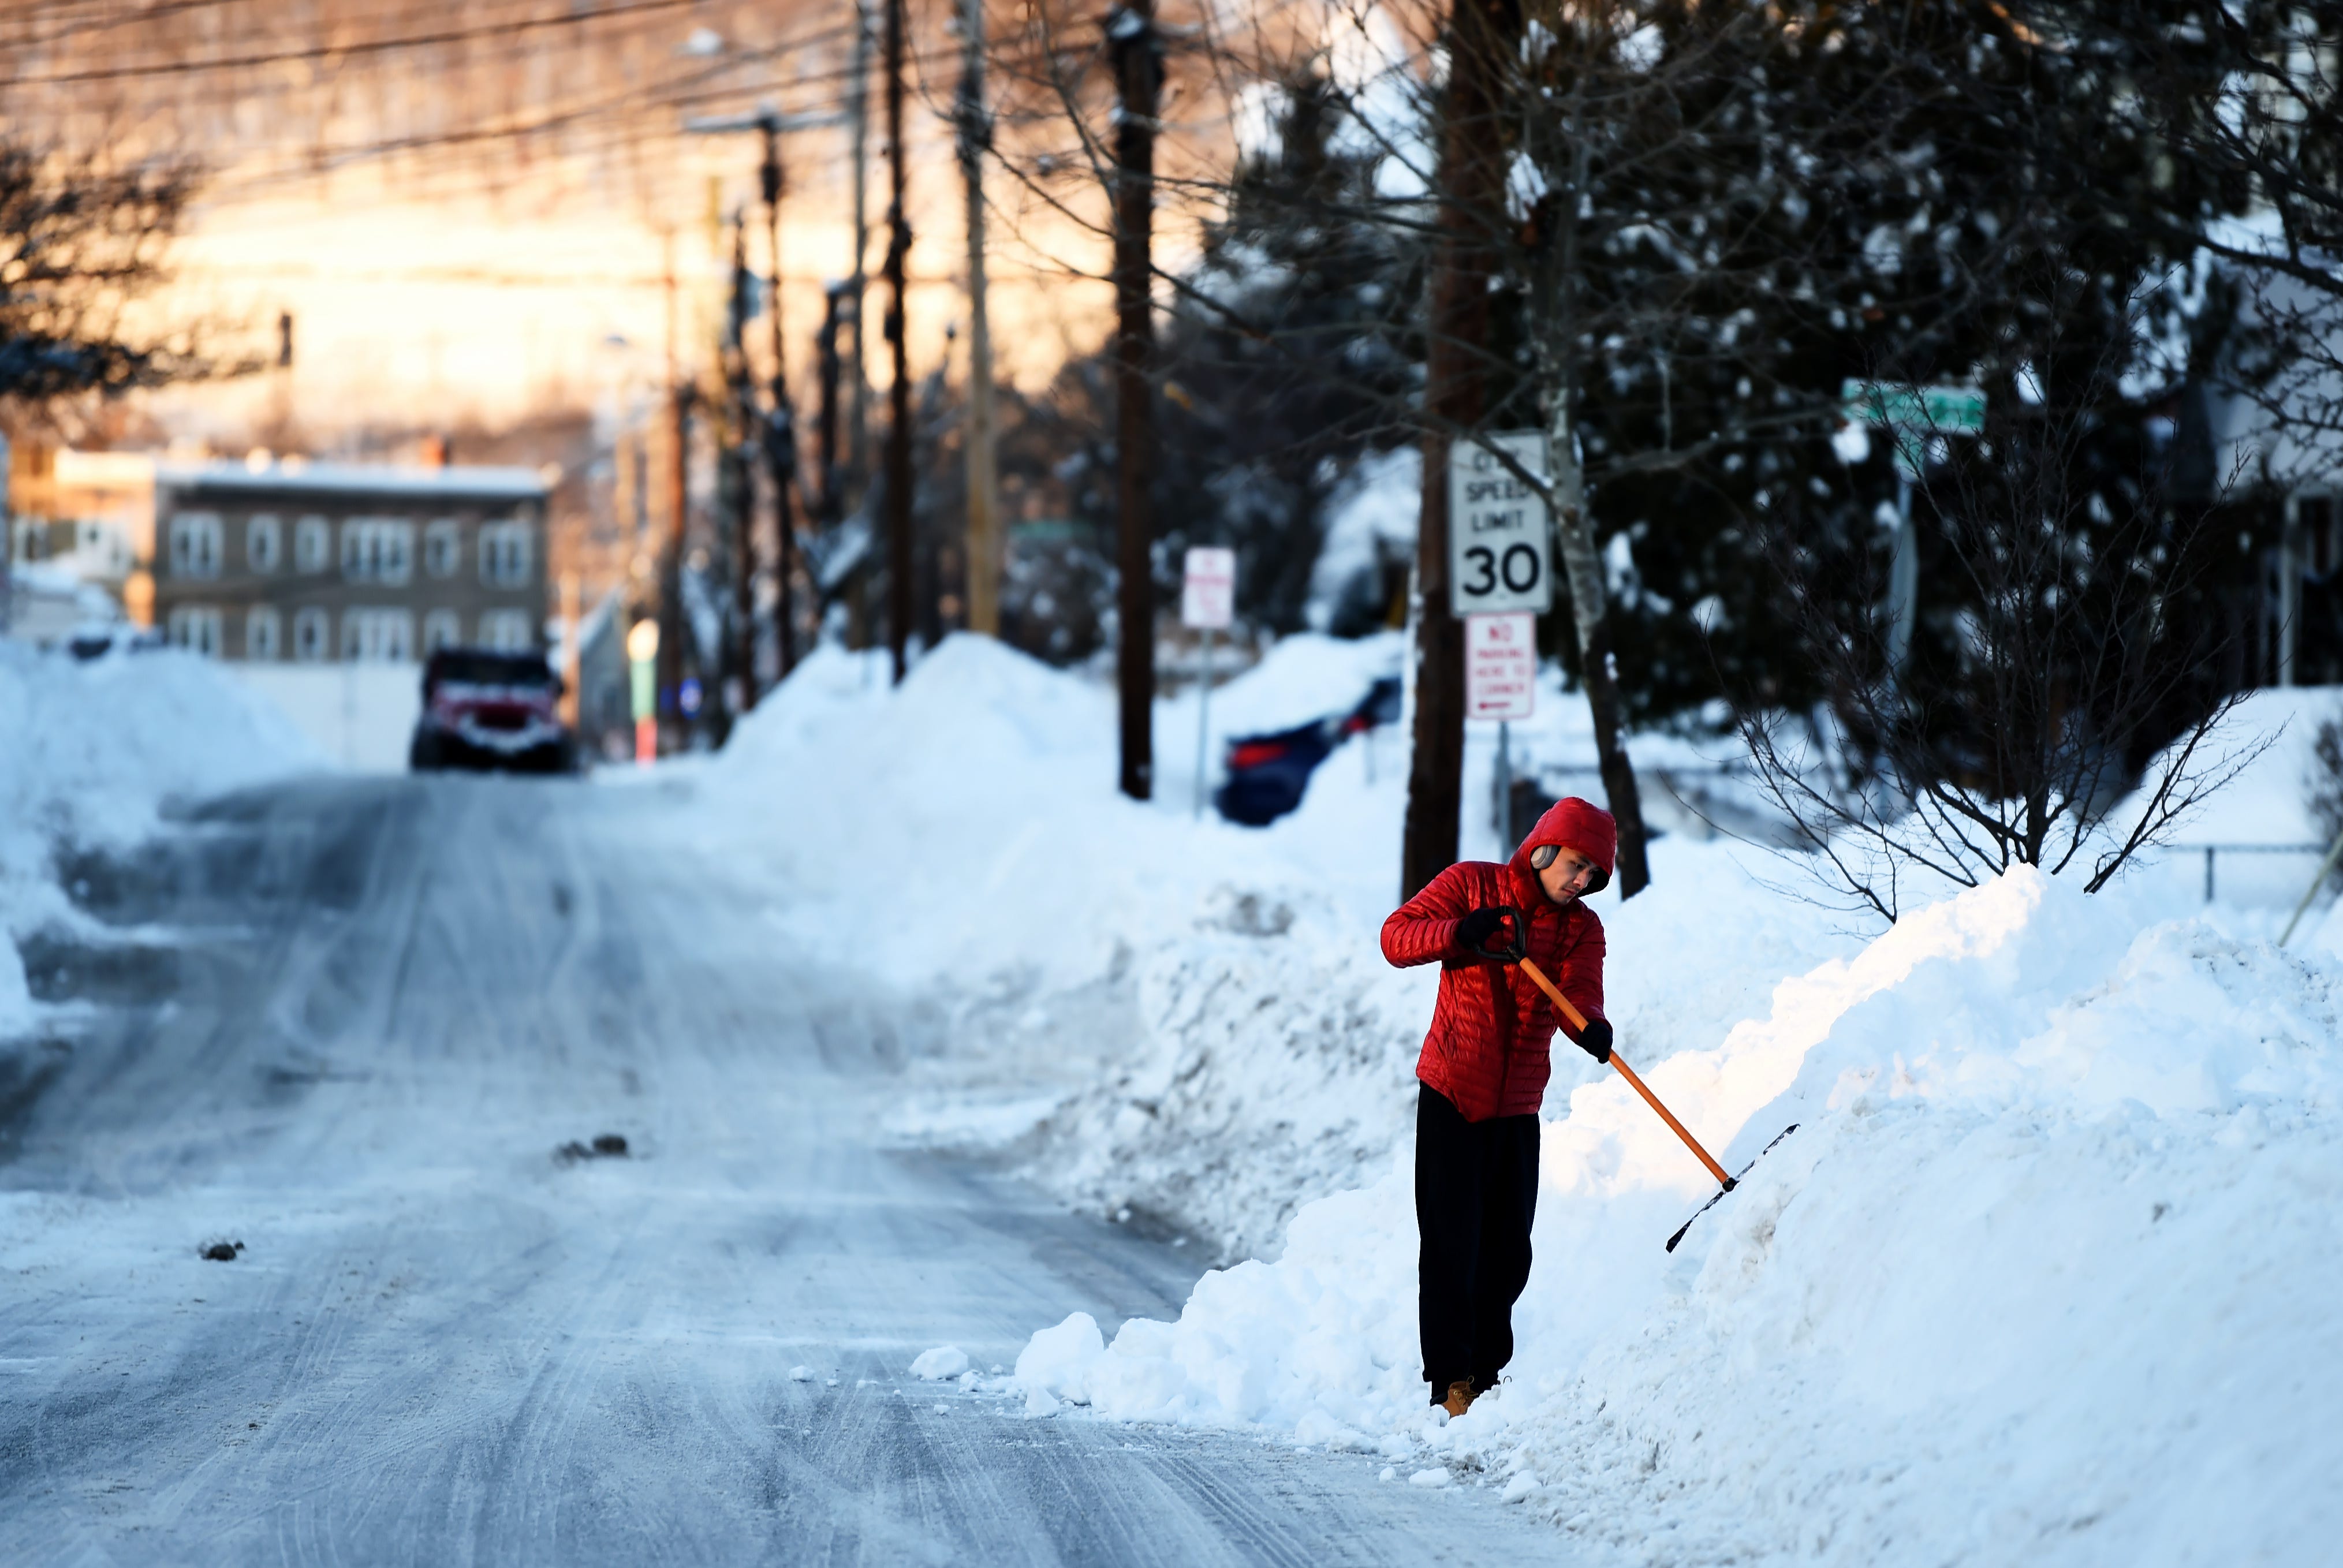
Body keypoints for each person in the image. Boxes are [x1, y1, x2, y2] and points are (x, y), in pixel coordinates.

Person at [1379, 797, 1616, 1418]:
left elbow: (1578, 992)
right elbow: (1395, 938)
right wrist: (1460, 932)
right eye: (1572, 864)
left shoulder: (1581, 928)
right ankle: (1450, 1379)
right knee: (1451, 1240)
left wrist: (1589, 1025)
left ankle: (1487, 1372)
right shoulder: (1470, 884)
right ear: (1541, 851)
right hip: (1453, 1089)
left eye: (1591, 873)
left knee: (1508, 1248)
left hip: (1517, 1105)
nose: (1579, 881)